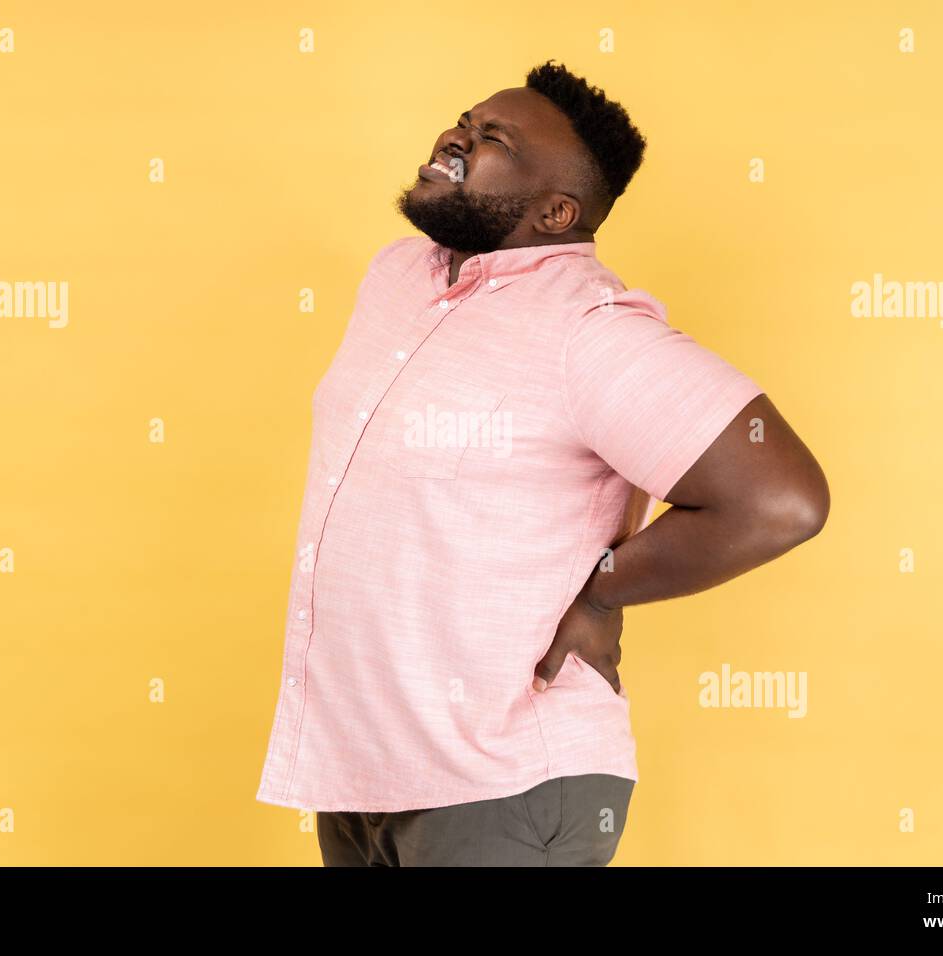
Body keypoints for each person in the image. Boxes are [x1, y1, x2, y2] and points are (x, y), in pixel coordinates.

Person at [256, 60, 830, 866]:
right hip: (365, 772)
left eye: (493, 141)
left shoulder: (589, 330)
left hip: (501, 783)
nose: (456, 137)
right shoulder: (396, 277)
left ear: (556, 211)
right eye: (465, 120)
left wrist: (601, 594)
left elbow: (781, 500)